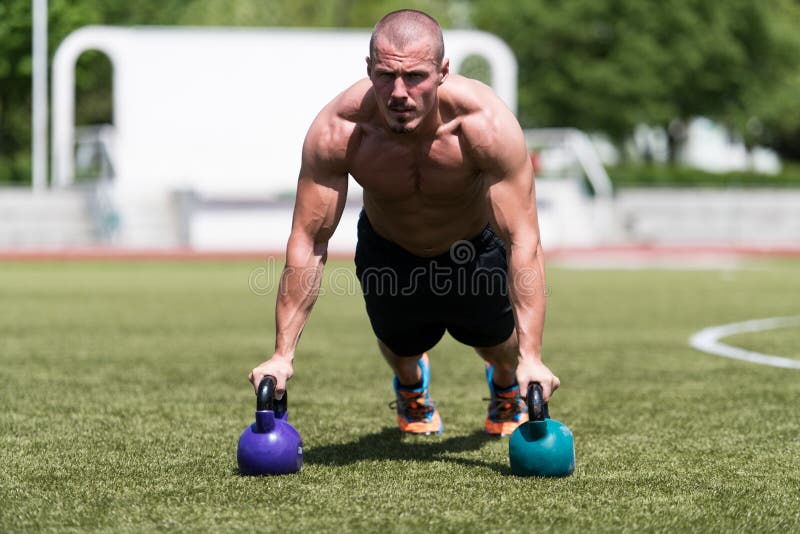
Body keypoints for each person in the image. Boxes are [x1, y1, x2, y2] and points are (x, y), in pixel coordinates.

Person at [249, 9, 559, 436]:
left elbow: (524, 239)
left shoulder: (485, 126)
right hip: (389, 248)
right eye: (385, 75)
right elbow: (308, 241)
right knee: (400, 347)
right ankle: (412, 388)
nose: (399, 92)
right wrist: (282, 354)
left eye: (415, 76)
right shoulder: (339, 130)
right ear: (369, 69)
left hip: (473, 246)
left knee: (497, 346)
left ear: (443, 71)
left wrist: (533, 357)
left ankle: (505, 385)